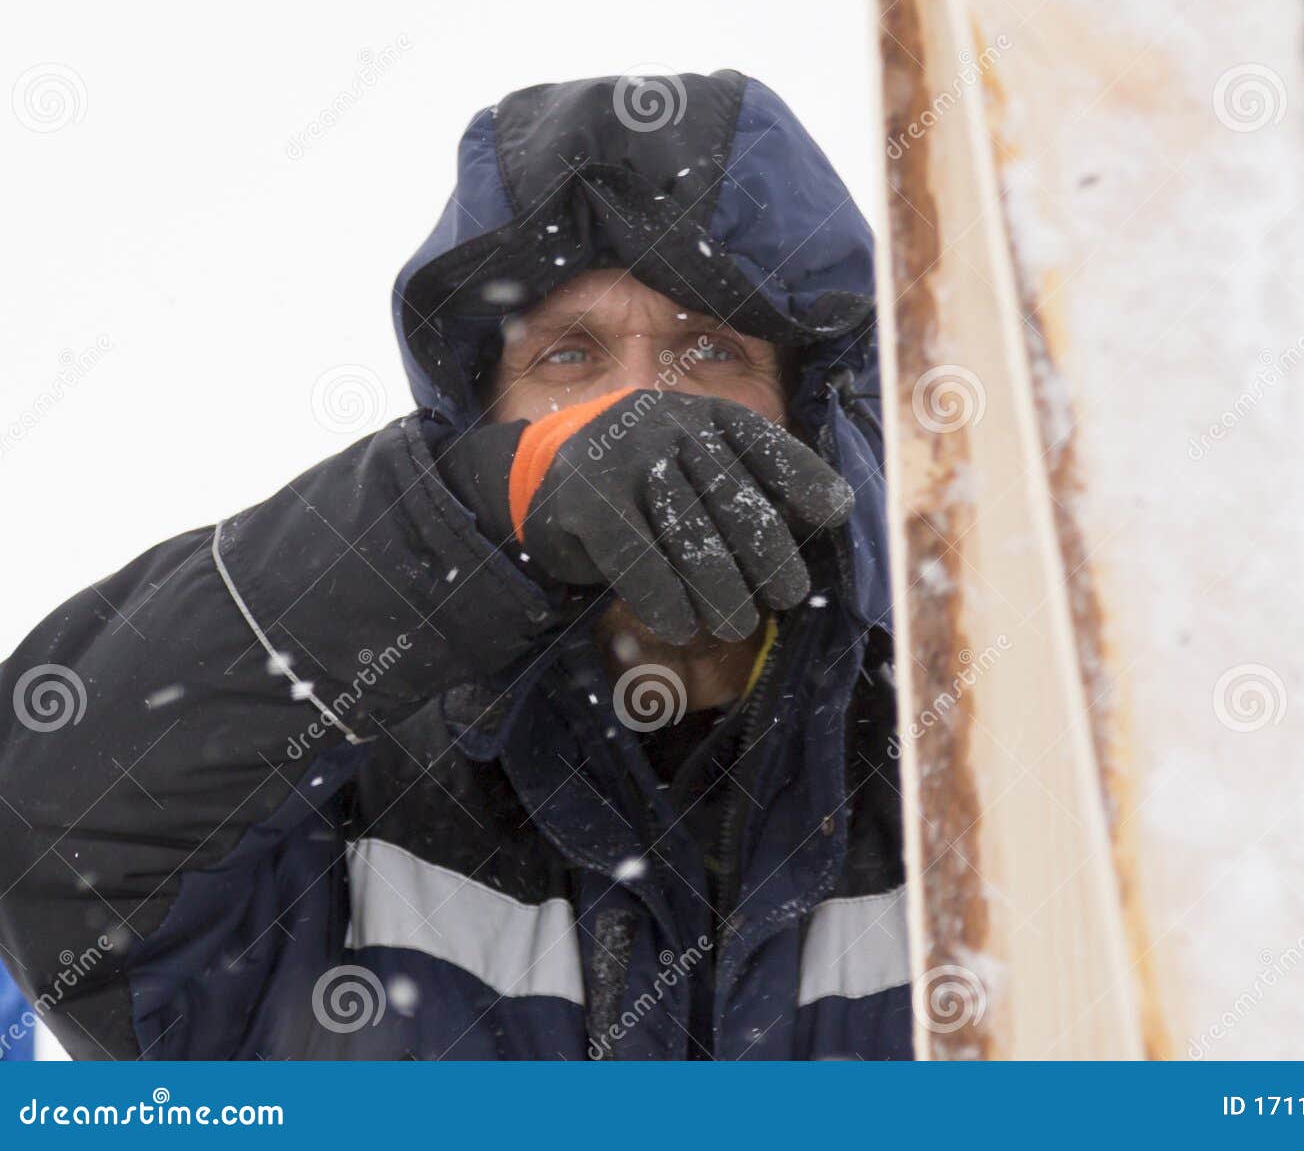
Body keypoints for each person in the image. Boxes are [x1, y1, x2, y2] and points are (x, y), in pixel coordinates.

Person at [0, 71, 908, 1060]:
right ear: (479, 432)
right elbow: (53, 823)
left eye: (707, 348)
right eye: (569, 356)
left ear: (806, 416)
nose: (640, 406)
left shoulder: (969, 768)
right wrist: (462, 518)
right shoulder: (337, 809)